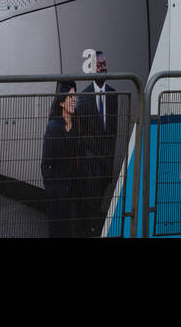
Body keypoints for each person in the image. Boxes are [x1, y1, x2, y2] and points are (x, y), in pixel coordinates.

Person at [76, 51, 118, 237]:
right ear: (91, 69)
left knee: (99, 200)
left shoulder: (113, 95)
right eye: (99, 65)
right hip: (90, 163)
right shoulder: (84, 97)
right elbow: (81, 134)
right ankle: (91, 231)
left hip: (105, 161)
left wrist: (110, 159)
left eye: (104, 63)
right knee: (91, 203)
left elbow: (113, 132)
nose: (103, 67)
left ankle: (93, 229)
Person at [41, 81, 83, 237]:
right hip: (57, 195)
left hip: (73, 192)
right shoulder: (53, 127)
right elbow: (45, 165)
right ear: (61, 102)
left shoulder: (77, 124)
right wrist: (52, 192)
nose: (74, 99)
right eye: (70, 96)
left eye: (75, 95)